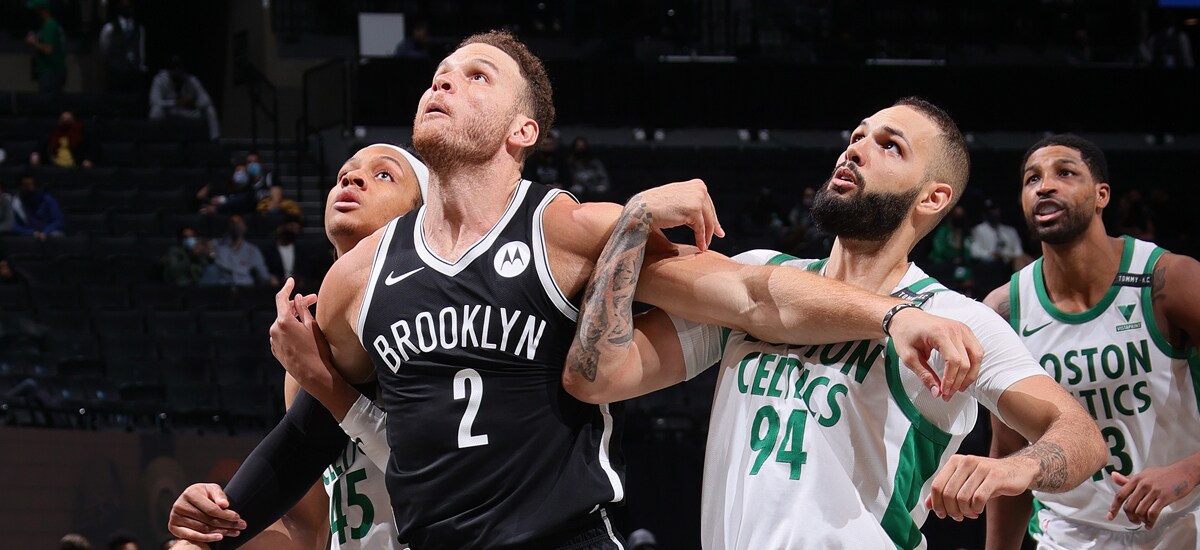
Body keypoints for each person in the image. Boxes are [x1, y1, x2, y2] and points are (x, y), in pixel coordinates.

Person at [171, 31, 983, 550]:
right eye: (440, 74)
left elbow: (754, 297)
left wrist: (892, 316)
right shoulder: (358, 277)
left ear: (522, 131)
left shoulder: (570, 231)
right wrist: (222, 518)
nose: (444, 83)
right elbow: (313, 430)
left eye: (476, 76)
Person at [560, 98, 1107, 549]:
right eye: (858, 135)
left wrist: (1017, 469)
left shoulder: (955, 317)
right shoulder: (758, 276)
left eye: (889, 145)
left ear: (933, 196)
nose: (855, 149)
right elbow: (597, 375)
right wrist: (634, 220)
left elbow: (1082, 437)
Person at [168, 143, 428, 550]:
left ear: (424, 215)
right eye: (345, 172)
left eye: (384, 174)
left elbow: (447, 477)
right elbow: (304, 527)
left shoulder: (435, 326)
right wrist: (216, 519)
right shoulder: (308, 350)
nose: (351, 178)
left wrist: (324, 383)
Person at [986, 134, 1200, 549]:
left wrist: (1188, 470)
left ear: (1102, 195)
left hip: (1183, 519)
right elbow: (1009, 450)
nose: (1045, 186)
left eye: (1065, 173)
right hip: (1068, 532)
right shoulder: (1005, 311)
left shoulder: (1171, 280)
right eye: (1032, 179)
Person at [149, 57, 220, 140]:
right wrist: (175, 102)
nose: (176, 71)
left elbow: (207, 101)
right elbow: (154, 101)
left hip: (186, 111)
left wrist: (194, 103)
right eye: (173, 68)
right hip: (169, 112)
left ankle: (215, 139)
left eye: (178, 68)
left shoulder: (192, 80)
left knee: (210, 109)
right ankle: (153, 140)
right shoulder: (160, 79)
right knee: (156, 110)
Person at [202, 215, 272, 287]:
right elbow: (203, 247)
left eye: (238, 222)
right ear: (228, 226)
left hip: (245, 287)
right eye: (233, 222)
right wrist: (208, 251)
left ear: (245, 227)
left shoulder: (252, 250)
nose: (236, 225)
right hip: (222, 287)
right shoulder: (216, 245)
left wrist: (270, 280)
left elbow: (263, 274)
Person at [98, 0, 147, 93]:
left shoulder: (139, 29)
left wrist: (139, 67)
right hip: (115, 75)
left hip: (133, 76)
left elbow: (141, 51)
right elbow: (104, 49)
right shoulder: (110, 28)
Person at [25, 0, 67, 95]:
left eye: (36, 9)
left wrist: (33, 42)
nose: (35, 12)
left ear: (43, 10)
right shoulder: (49, 24)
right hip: (52, 72)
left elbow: (48, 49)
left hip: (51, 72)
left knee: (48, 102)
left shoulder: (50, 25)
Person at [11, 172, 65, 240]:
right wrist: (31, 232)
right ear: (19, 187)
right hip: (28, 234)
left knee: (56, 235)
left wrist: (46, 231)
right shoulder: (16, 203)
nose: (29, 188)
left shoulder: (47, 199)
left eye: (31, 184)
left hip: (48, 232)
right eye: (25, 185)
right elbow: (13, 225)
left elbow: (58, 221)